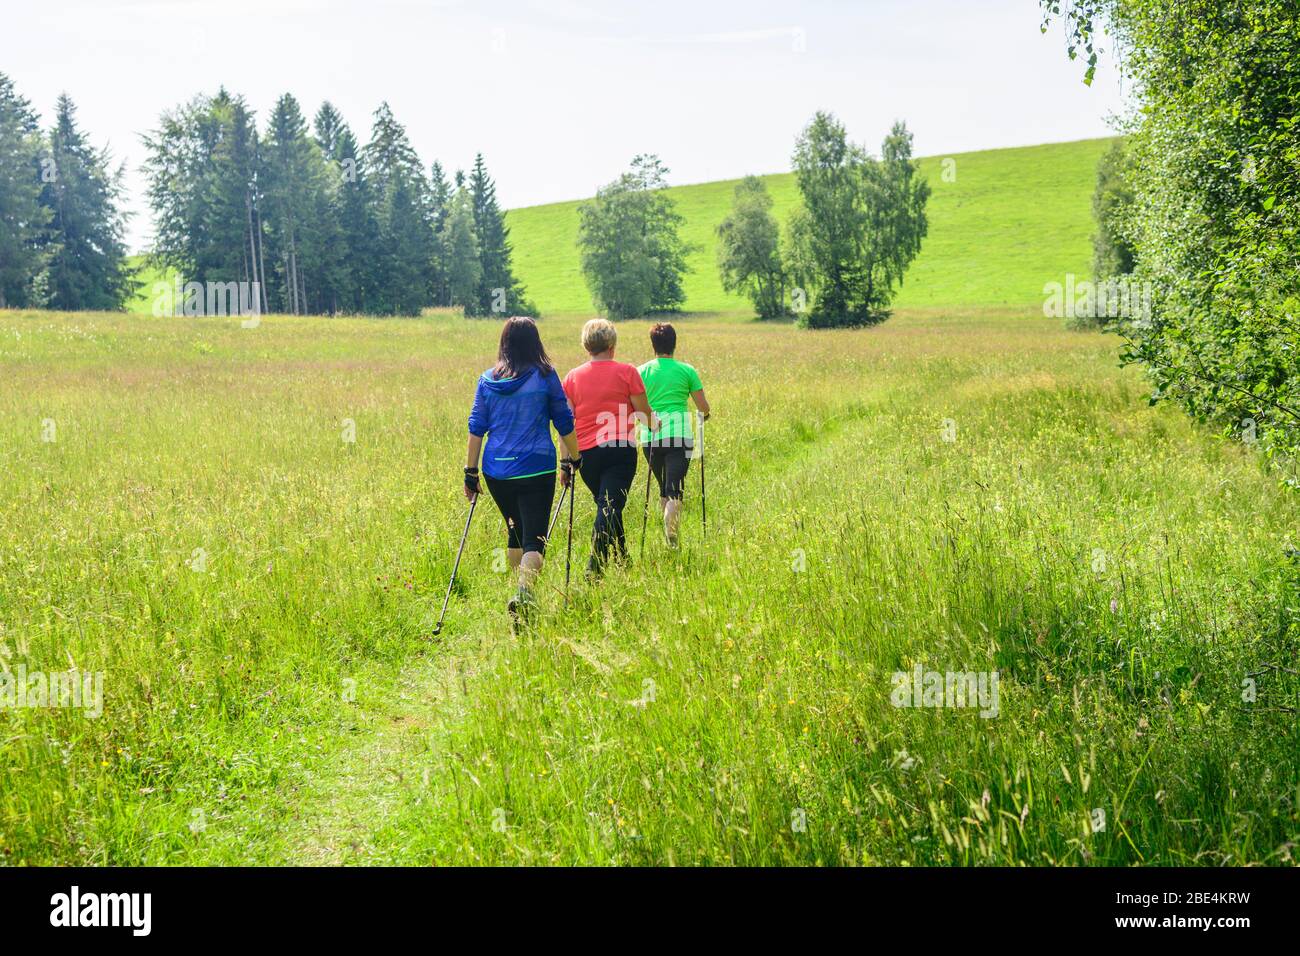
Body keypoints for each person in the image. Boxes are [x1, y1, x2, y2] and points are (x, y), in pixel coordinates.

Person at [465, 316, 581, 627]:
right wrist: (574, 457)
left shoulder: (487, 380)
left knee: (514, 531)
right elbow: (563, 421)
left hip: (496, 471)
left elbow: (476, 428)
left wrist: (470, 473)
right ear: (535, 342)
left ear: (504, 343)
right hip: (535, 468)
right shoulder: (545, 376)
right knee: (535, 541)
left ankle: (520, 599)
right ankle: (524, 593)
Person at [562, 318, 658, 574]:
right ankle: (594, 568)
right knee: (609, 506)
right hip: (619, 451)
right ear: (612, 345)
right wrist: (655, 424)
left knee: (608, 505)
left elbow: (565, 424)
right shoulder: (627, 372)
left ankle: (623, 560)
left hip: (586, 455)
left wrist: (565, 461)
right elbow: (644, 414)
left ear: (586, 346)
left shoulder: (572, 378)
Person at [637, 322, 711, 548]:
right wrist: (705, 415)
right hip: (679, 437)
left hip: (650, 438)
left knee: (663, 489)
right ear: (674, 344)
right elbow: (703, 407)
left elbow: (635, 406)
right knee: (674, 490)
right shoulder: (687, 371)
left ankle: (667, 537)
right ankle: (672, 539)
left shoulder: (641, 372)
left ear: (653, 345)